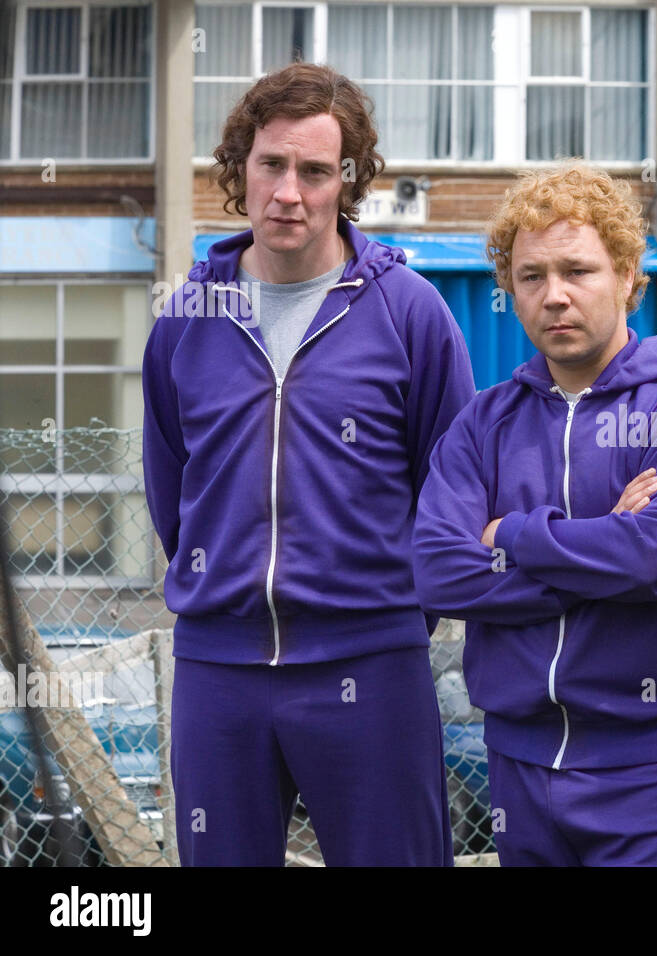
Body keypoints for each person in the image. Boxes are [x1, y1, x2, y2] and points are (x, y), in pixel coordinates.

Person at [142, 63, 475, 866]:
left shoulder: (409, 313)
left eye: (315, 171)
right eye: (271, 165)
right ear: (241, 169)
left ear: (346, 182)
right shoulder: (186, 317)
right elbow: (173, 490)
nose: (289, 192)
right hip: (220, 674)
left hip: (372, 667)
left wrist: (390, 615)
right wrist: (222, 590)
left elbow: (452, 493)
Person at [411, 161, 657, 866]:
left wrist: (511, 535)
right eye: (532, 277)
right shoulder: (481, 424)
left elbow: (648, 560)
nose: (554, 296)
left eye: (577, 271)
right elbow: (438, 574)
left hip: (653, 767)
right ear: (511, 290)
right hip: (517, 765)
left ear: (626, 275)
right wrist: (597, 547)